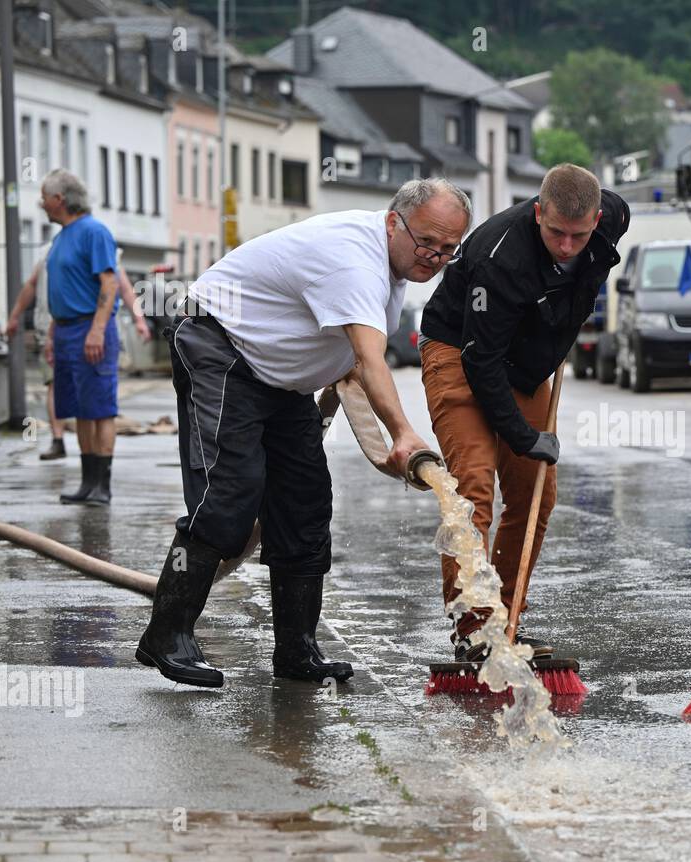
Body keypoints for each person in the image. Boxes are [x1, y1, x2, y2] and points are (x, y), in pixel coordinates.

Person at [136, 179, 469, 688]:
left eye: (449, 248)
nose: (436, 257)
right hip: (220, 346)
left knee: (305, 503)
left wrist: (384, 439)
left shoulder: (394, 263)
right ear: (392, 221)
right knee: (230, 497)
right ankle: (166, 635)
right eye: (427, 242)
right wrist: (403, 433)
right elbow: (367, 357)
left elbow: (351, 366)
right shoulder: (352, 258)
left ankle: (297, 651)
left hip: (279, 378)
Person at [419, 164, 630, 661]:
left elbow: (609, 213)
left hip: (529, 364)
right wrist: (521, 434)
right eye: (555, 231)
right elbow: (481, 360)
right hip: (461, 352)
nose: (566, 245)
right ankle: (474, 630)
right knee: (472, 488)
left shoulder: (610, 217)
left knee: (535, 492)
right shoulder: (501, 256)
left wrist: (528, 441)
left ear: (598, 219)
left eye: (579, 235)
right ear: (538, 212)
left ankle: (506, 620)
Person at [7, 239, 150, 460]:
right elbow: (33, 285)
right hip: (54, 326)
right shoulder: (50, 250)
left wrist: (137, 321)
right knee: (59, 388)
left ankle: (95, 472)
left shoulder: (96, 244)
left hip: (90, 329)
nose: (43, 204)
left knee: (93, 400)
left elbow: (120, 286)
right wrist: (17, 316)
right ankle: (63, 445)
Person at [36, 170, 127, 503]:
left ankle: (103, 486)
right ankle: (88, 482)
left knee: (100, 407)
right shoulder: (60, 238)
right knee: (78, 408)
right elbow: (60, 292)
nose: (41, 202)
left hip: (90, 329)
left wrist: (98, 330)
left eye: (44, 196)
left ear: (59, 200)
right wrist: (51, 334)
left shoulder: (94, 232)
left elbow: (110, 283)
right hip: (64, 330)